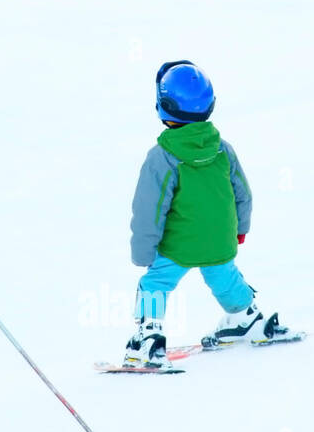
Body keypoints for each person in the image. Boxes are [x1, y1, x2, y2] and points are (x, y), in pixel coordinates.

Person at [124, 60, 296, 370]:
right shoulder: (222, 150)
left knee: (154, 284)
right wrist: (239, 230)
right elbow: (243, 193)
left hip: (179, 247)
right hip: (219, 242)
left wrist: (143, 252)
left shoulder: (162, 158)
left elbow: (149, 209)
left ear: (163, 106)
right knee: (223, 276)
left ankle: (148, 338)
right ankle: (247, 317)